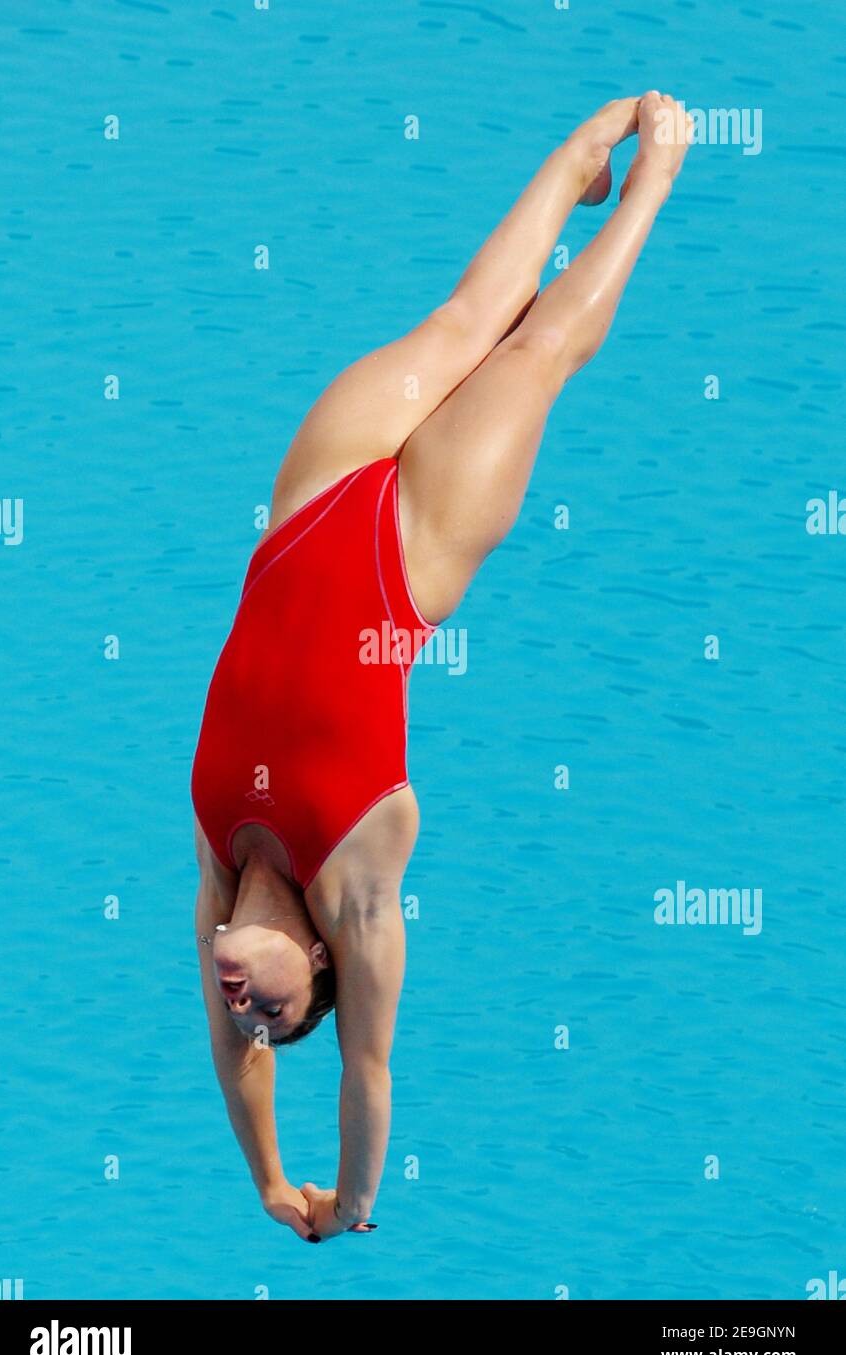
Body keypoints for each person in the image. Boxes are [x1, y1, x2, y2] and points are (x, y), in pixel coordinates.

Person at [191, 92, 693, 1242]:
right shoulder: (358, 887)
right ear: (318, 967)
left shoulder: (215, 860)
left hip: (308, 503)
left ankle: (576, 158)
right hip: (410, 548)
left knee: (465, 316)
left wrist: (268, 1182)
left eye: (245, 1018)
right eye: (276, 1014)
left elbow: (235, 1071)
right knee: (536, 347)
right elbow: (363, 1076)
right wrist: (345, 1205)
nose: (245, 1015)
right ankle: (657, 174)